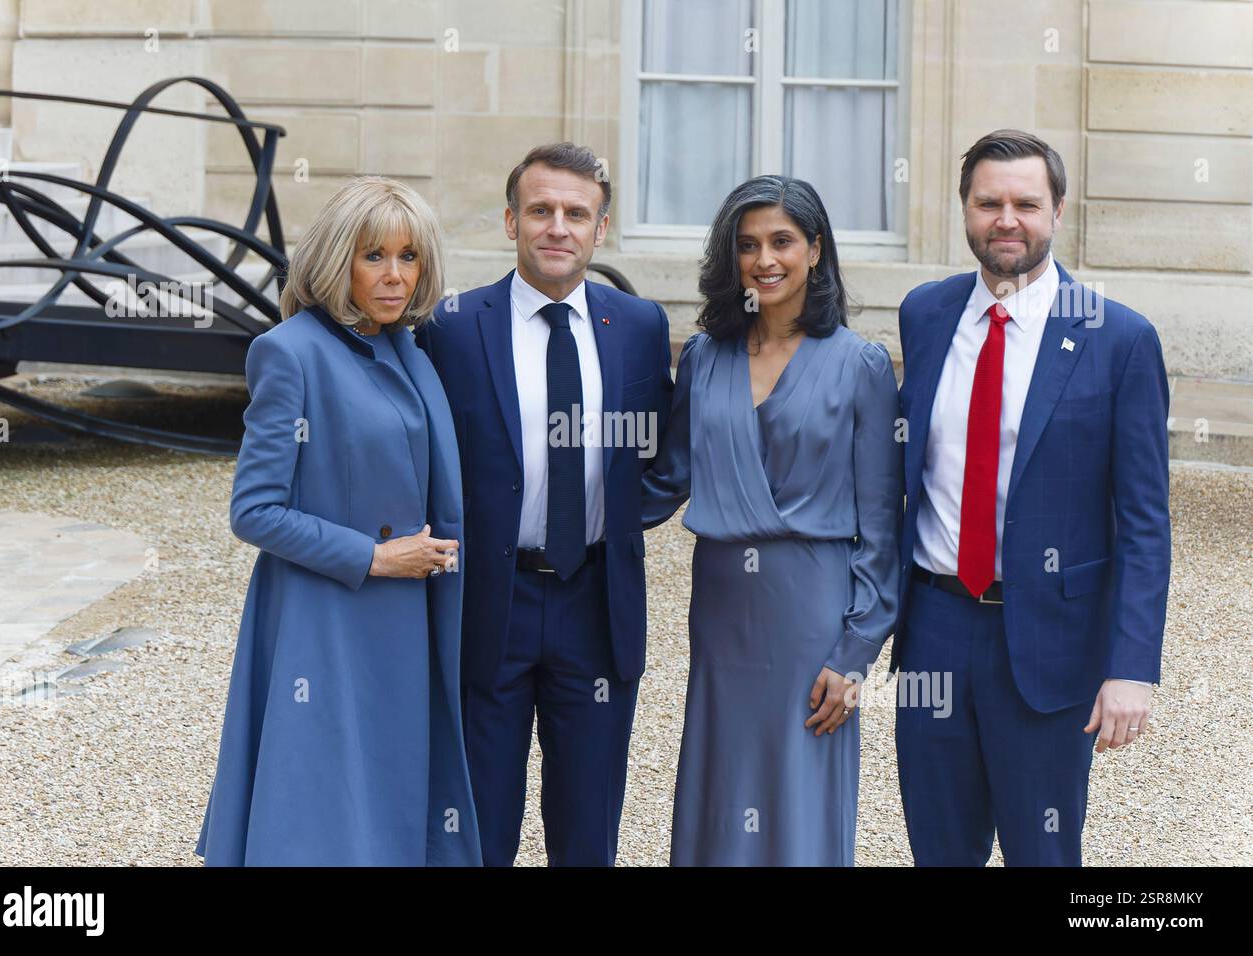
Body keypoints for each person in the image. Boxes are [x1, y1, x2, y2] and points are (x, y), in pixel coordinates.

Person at [892, 129, 1170, 866]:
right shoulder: (924, 314)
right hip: (934, 630)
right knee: (938, 852)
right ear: (965, 210)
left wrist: (1133, 666)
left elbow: (1145, 523)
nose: (1006, 219)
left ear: (1058, 210)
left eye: (1025, 203)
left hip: (1052, 646)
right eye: (989, 203)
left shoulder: (1119, 338)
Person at [195, 177, 481, 866]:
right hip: (324, 618)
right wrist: (375, 558)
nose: (394, 275)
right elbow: (255, 511)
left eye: (408, 257)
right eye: (374, 256)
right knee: (322, 809)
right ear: (336, 260)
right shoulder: (289, 352)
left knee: (391, 794)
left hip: (409, 617)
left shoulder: (408, 348)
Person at [415, 142, 673, 866]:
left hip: (597, 602)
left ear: (601, 228)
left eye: (576, 213)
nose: (558, 227)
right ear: (511, 221)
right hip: (488, 604)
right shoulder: (454, 327)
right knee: (478, 826)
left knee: (588, 830)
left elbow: (662, 450)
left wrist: (620, 522)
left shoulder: (640, 326)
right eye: (541, 211)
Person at [641, 175, 903, 866]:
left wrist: (855, 655)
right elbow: (665, 480)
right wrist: (552, 511)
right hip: (724, 609)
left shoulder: (861, 366)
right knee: (721, 777)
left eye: (782, 241)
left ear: (815, 250)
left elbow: (881, 527)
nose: (765, 259)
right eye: (748, 244)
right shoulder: (703, 358)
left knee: (800, 786)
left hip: (811, 609)